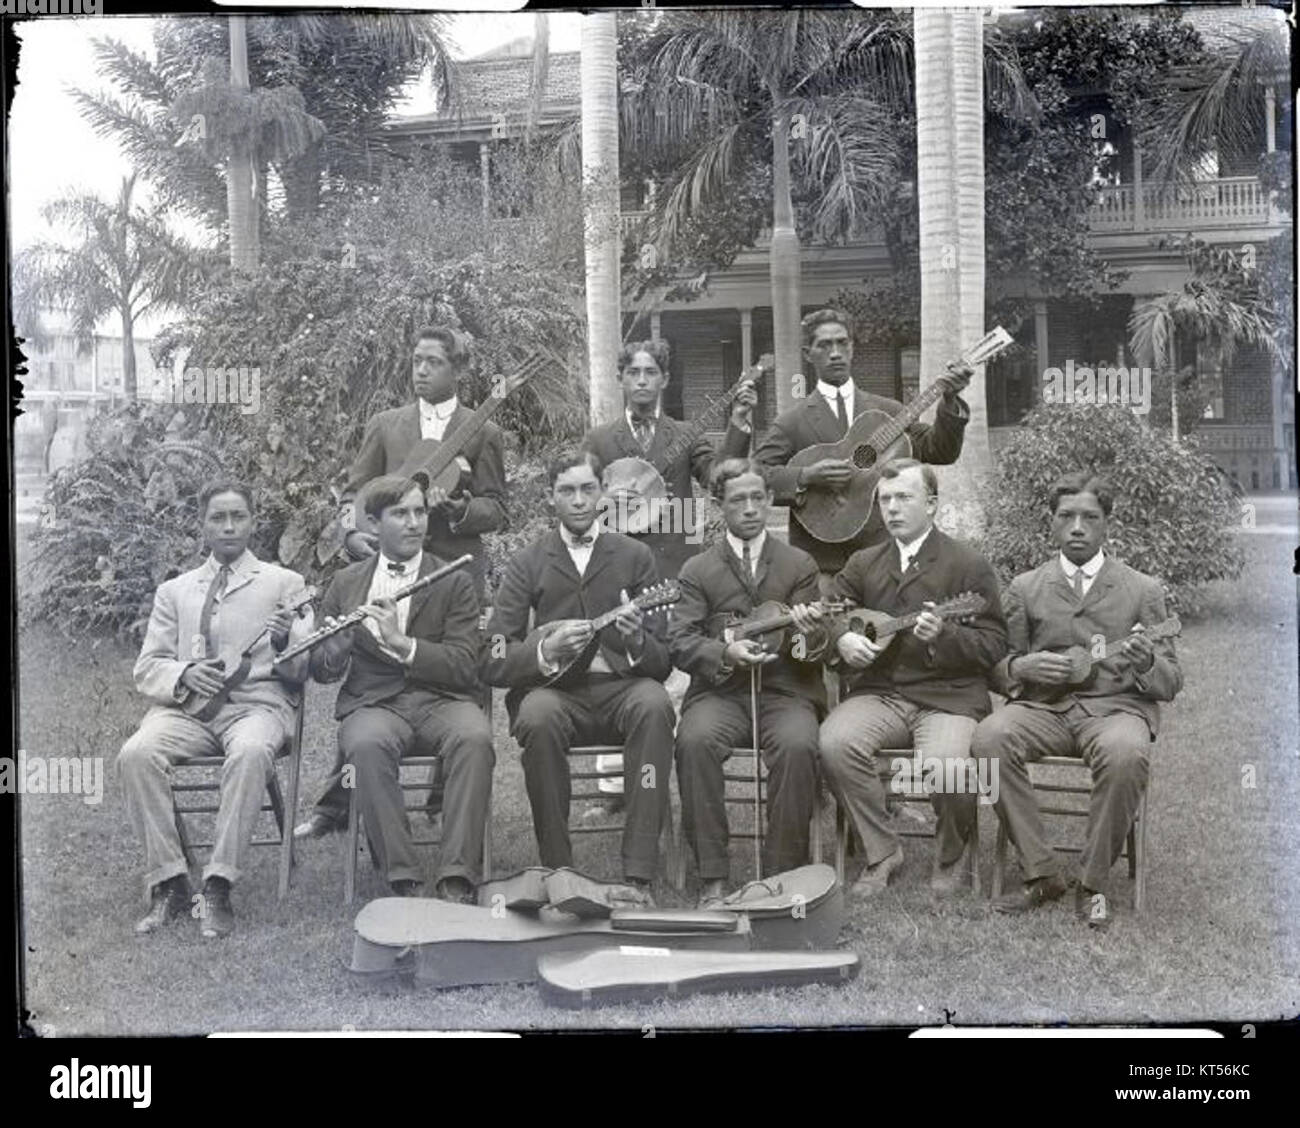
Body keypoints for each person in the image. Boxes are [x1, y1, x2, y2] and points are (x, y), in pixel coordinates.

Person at [296, 325, 505, 838]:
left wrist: (459, 512)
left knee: (465, 677)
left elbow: (497, 508)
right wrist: (353, 540)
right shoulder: (387, 425)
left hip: (454, 575)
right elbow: (353, 494)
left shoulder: (483, 430)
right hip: (387, 569)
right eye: (416, 360)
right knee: (369, 682)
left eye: (434, 361)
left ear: (459, 369)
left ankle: (452, 796)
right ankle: (336, 803)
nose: (421, 370)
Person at [973, 472, 1181, 930]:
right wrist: (1019, 669)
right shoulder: (1025, 587)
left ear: (1107, 525)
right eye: (1066, 517)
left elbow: (1170, 682)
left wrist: (1147, 663)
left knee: (1126, 752)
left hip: (1115, 710)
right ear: (1051, 524)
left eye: (1090, 517)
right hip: (1043, 710)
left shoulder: (1142, 590)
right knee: (988, 739)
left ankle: (1091, 884)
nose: (1077, 527)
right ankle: (1041, 873)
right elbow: (995, 663)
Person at [119, 479, 315, 938]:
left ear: (252, 522)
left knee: (249, 753)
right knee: (136, 754)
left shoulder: (285, 584)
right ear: (202, 526)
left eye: (238, 517)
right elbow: (147, 667)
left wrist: (286, 637)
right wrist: (183, 674)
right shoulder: (176, 591)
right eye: (218, 518)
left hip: (257, 706)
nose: (228, 526)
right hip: (187, 712)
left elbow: (304, 667)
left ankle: (218, 886)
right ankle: (170, 883)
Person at [479, 449, 676, 904]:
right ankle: (557, 866)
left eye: (588, 488)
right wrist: (543, 651)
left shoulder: (635, 555)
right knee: (537, 716)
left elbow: (662, 658)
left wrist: (633, 641)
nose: (580, 500)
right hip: (556, 693)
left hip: (624, 690)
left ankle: (639, 872)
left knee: (655, 704)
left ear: (603, 493)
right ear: (551, 498)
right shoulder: (528, 561)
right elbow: (492, 653)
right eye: (567, 490)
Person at [581, 339, 756, 815]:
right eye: (633, 372)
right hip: (619, 566)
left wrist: (738, 428)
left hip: (675, 567)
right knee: (619, 668)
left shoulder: (684, 433)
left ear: (664, 380)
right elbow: (585, 496)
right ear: (621, 379)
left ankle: (663, 774)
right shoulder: (600, 440)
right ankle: (613, 789)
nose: (641, 380)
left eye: (650, 372)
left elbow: (719, 476)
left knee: (673, 674)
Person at [819, 458, 1007, 898]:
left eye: (904, 497)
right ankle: (882, 852)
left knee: (947, 766)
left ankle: (951, 856)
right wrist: (843, 640)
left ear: (933, 504)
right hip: (881, 693)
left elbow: (995, 644)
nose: (892, 508)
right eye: (885, 499)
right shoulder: (864, 562)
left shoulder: (968, 564)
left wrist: (946, 635)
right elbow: (833, 615)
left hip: (948, 696)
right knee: (834, 742)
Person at [309, 475, 494, 902]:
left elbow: (466, 665)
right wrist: (333, 648)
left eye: (420, 512)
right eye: (400, 514)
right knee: (366, 746)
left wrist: (405, 645)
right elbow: (323, 671)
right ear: (373, 524)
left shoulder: (454, 578)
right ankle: (402, 877)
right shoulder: (346, 583)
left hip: (441, 698)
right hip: (374, 702)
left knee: (475, 737)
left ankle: (457, 877)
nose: (414, 523)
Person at [669, 459, 829, 905]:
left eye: (758, 497)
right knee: (694, 742)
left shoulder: (799, 564)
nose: (750, 507)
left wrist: (806, 632)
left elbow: (811, 651)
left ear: (770, 500)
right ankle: (713, 877)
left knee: (798, 745)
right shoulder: (698, 569)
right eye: (738, 499)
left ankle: (781, 878)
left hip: (785, 692)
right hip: (720, 693)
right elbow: (680, 640)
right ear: (718, 505)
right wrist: (725, 653)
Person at [752, 308, 973, 589]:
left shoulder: (888, 412)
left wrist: (949, 400)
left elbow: (941, 451)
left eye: (842, 343)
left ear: (852, 348)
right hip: (823, 568)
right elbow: (756, 475)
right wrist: (805, 476)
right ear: (808, 354)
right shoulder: (792, 422)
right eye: (825, 345)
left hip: (884, 563)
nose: (835, 352)